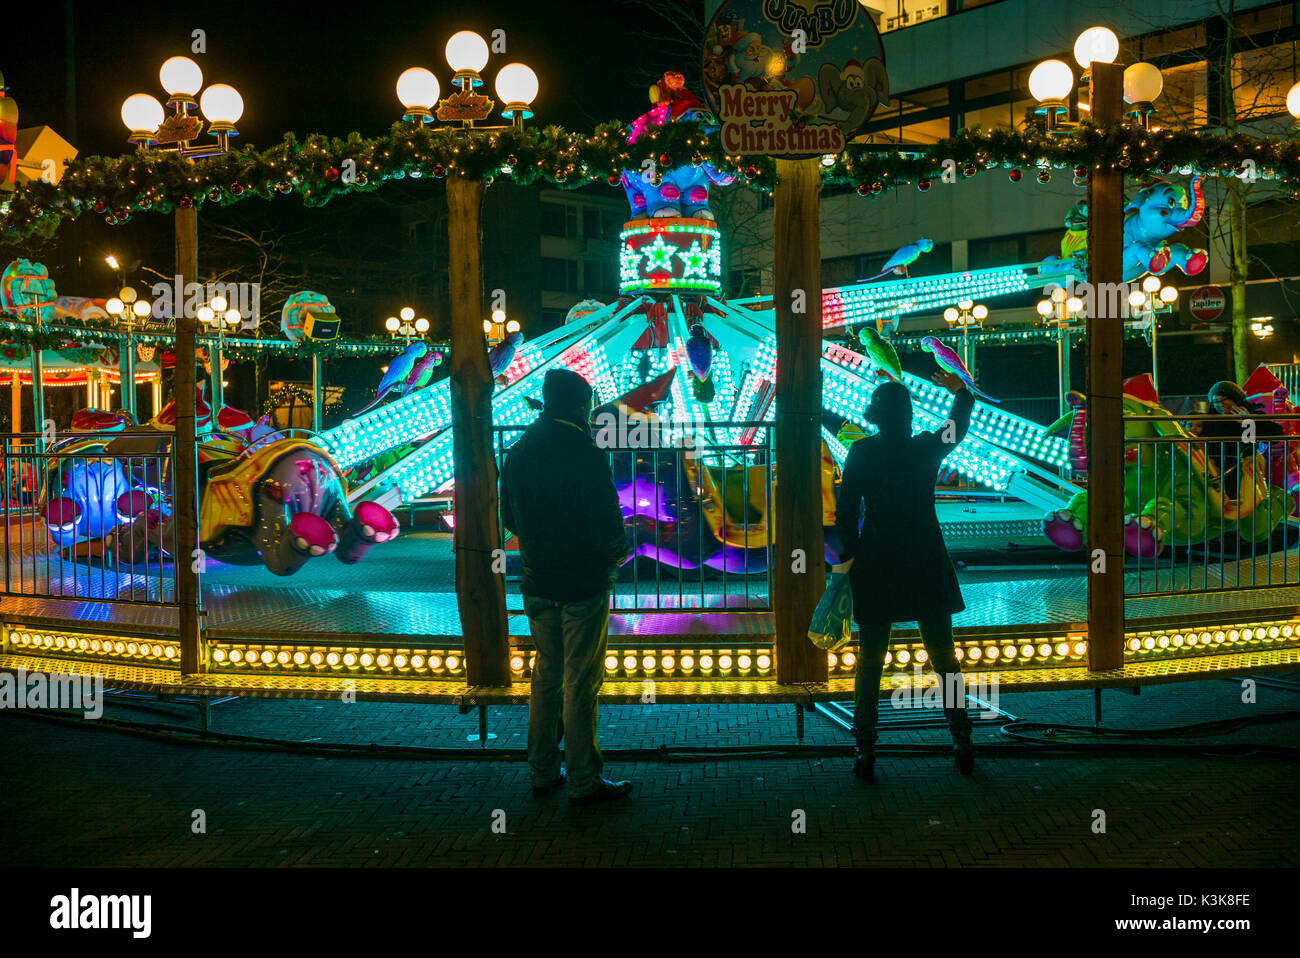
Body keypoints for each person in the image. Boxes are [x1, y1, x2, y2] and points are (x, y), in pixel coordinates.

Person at [500, 367, 633, 806]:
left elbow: (510, 520)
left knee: (546, 676)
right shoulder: (586, 453)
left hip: (538, 581)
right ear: (580, 406)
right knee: (580, 680)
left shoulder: (517, 454)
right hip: (582, 582)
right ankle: (583, 779)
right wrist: (615, 555)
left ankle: (541, 771)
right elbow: (605, 521)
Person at [834, 372, 975, 784]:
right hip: (925, 557)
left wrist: (851, 555)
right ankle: (961, 737)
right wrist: (960, 392)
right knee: (944, 655)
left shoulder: (861, 453)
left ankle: (865, 746)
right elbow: (958, 426)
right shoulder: (926, 449)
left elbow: (846, 512)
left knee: (871, 660)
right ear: (909, 416)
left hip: (878, 559)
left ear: (876, 417)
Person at [1193, 381, 1283, 500]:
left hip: (1241, 467)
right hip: (1214, 467)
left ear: (1236, 399)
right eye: (1215, 402)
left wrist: (1248, 422)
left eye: (1224, 399)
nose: (1221, 404)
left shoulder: (1253, 415)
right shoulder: (1208, 421)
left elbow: (1275, 436)